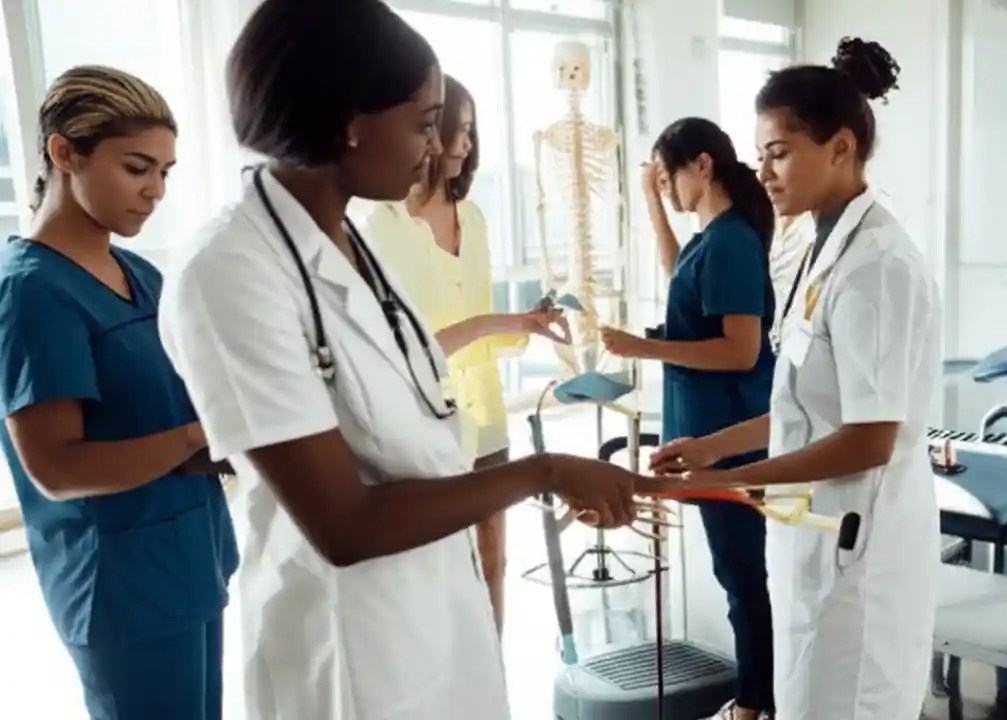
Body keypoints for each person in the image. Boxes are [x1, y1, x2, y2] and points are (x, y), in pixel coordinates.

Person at [156, 2, 658, 718]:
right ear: (347, 119)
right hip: (353, 650)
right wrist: (545, 471)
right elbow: (345, 524)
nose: (434, 148)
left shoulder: (350, 243)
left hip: (435, 616)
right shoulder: (230, 271)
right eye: (422, 122)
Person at [651, 37, 942, 719]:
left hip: (859, 553)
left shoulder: (877, 266)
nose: (764, 173)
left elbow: (870, 438)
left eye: (778, 153)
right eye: (761, 157)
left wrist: (726, 482)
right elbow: (807, 400)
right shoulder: (822, 248)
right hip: (817, 538)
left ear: (840, 147)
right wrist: (715, 447)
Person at [0, 65, 237, 719]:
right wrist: (196, 436)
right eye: (137, 168)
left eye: (166, 172)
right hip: (122, 591)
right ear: (64, 152)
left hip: (193, 560)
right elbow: (55, 465)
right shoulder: (33, 292)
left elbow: (180, 407)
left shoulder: (143, 275)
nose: (156, 190)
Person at [363, 74, 567, 635]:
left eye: (473, 133)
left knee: (492, 555)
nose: (466, 145)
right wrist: (493, 322)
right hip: (425, 423)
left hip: (486, 416)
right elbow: (403, 348)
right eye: (461, 130)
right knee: (442, 568)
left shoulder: (472, 218)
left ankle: (491, 681)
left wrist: (527, 325)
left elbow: (482, 325)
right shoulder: (381, 227)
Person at [601, 116, 777, 720]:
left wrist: (644, 347)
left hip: (729, 433)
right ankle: (756, 698)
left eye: (668, 174)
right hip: (707, 428)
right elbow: (680, 273)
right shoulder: (714, 237)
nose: (668, 187)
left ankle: (754, 704)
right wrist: (652, 200)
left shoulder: (731, 241)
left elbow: (741, 350)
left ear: (702, 166)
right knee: (738, 570)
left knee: (743, 575)